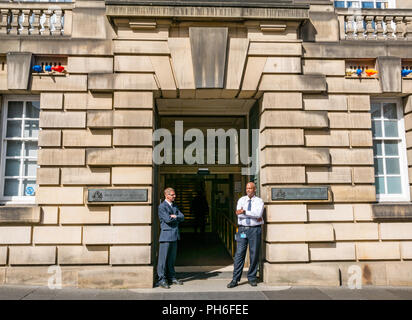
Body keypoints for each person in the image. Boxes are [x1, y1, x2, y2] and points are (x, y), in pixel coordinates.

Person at [227, 182, 264, 288]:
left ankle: (252, 278)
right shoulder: (241, 200)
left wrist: (245, 212)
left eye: (250, 188)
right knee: (239, 254)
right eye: (247, 188)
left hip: (255, 230)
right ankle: (235, 279)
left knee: (254, 254)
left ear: (254, 189)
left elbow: (258, 214)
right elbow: (239, 215)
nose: (248, 190)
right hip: (242, 230)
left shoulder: (259, 201)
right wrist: (248, 213)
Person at [156, 187, 185, 289]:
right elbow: (168, 220)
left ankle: (171, 277)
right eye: (172, 195)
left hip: (174, 235)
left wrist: (175, 216)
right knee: (163, 260)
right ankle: (161, 279)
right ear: (166, 195)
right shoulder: (162, 207)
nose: (174, 196)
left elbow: (182, 217)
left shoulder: (175, 205)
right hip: (166, 236)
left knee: (171, 259)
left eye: (174, 194)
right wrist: (173, 217)